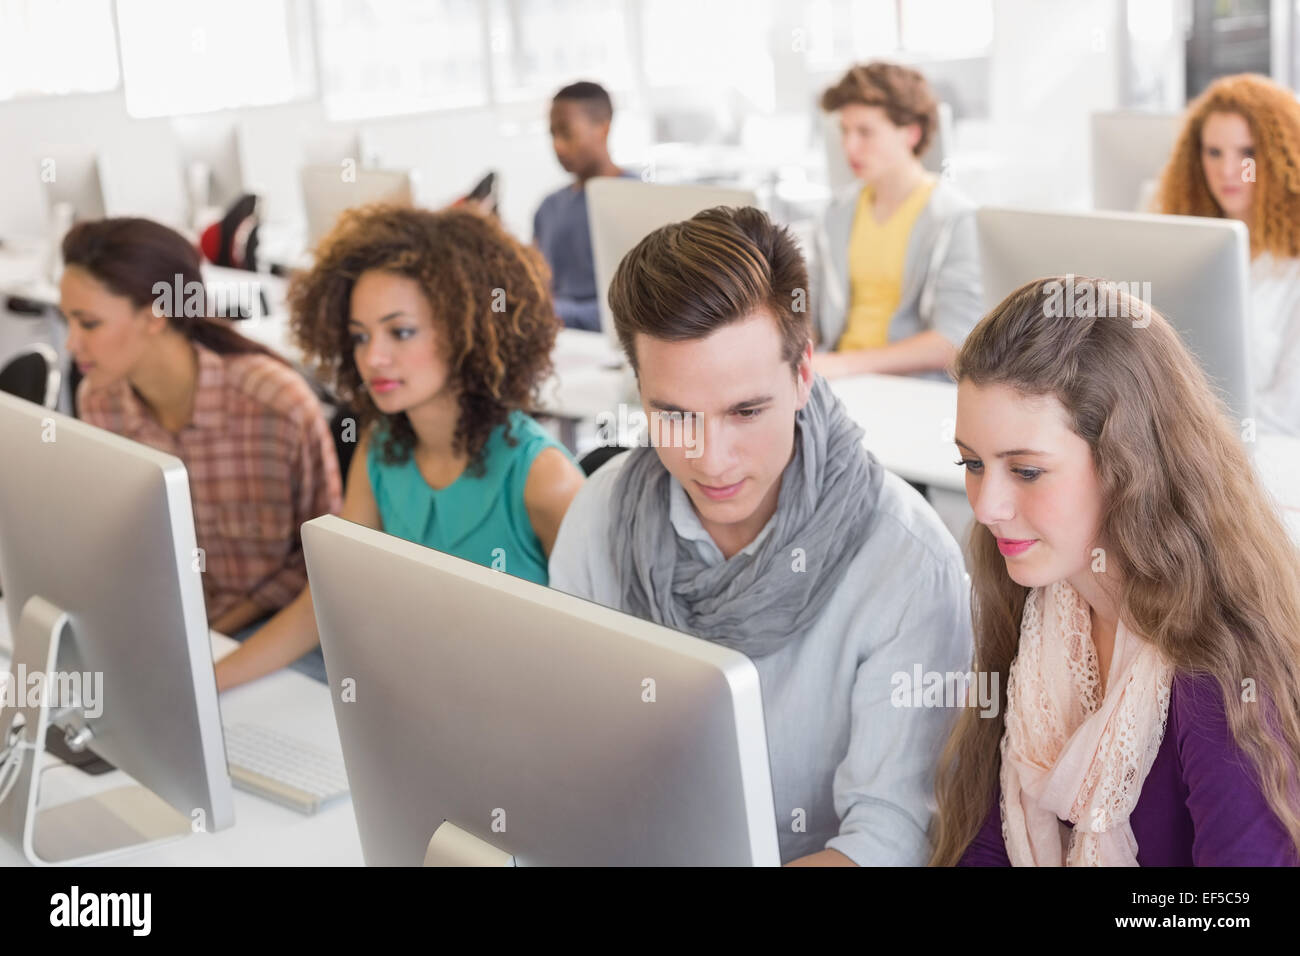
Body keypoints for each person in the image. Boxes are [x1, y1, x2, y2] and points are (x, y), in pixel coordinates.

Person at [548, 205, 973, 866]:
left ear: (804, 373)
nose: (711, 459)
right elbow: (571, 748)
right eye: (675, 414)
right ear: (639, 390)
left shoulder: (908, 565)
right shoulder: (600, 514)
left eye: (746, 411)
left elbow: (889, 840)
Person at [930, 276, 1300, 866]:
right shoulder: (1040, 603)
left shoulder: (1214, 667)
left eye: (1026, 471)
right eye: (972, 463)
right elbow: (989, 843)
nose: (986, 506)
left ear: (1129, 466)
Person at [215, 205, 585, 691]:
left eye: (401, 331)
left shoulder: (545, 480)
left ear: (466, 329)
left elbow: (593, 662)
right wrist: (206, 681)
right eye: (360, 337)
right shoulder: (379, 446)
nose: (374, 357)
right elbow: (329, 596)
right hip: (414, 701)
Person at [61, 217, 342, 640]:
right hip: (163, 620)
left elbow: (324, 562)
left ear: (155, 316)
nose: (71, 343)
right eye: (68, 321)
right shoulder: (98, 402)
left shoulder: (275, 404)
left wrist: (210, 637)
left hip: (269, 630)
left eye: (88, 323)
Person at [811, 61, 982, 381]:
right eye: (845, 131)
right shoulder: (835, 213)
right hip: (834, 380)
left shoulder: (952, 218)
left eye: (865, 132)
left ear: (911, 133)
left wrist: (846, 365)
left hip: (906, 387)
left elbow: (954, 339)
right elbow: (809, 317)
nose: (849, 146)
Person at [1155, 72, 1300, 436]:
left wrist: (1192, 438)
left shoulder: (1291, 268)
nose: (1228, 171)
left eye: (1247, 153)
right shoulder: (1185, 245)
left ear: (1283, 157)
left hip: (1259, 453)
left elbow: (1287, 415)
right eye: (1213, 152)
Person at [533, 80, 630, 332]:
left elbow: (642, 303)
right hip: (560, 338)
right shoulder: (549, 207)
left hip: (610, 336)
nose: (557, 145)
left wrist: (554, 313)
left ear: (603, 129)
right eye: (552, 134)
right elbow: (538, 284)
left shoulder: (636, 198)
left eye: (566, 133)